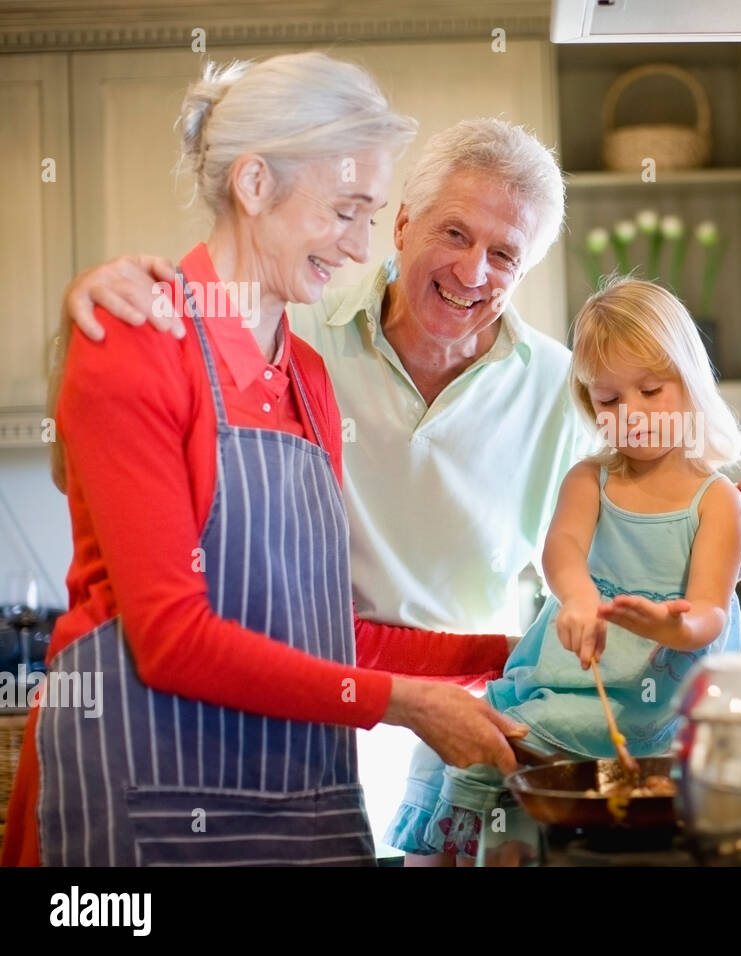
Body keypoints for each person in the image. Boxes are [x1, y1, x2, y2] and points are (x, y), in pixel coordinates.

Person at [57, 117, 741, 866]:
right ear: (401, 224)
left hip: (479, 729)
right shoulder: (296, 342)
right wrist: (102, 302)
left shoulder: (572, 392)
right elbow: (106, 473)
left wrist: (708, 559)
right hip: (280, 716)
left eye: (503, 255)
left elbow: (643, 517)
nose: (472, 272)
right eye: (454, 235)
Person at [2, 53, 528, 868]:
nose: (361, 250)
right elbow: (172, 639)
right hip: (139, 793)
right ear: (254, 185)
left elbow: (320, 634)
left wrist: (511, 655)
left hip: (289, 797)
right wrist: (404, 706)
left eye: (370, 216)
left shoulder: (307, 376)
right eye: (346, 212)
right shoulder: (137, 340)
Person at [394, 277, 741, 865]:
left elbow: (710, 611)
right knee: (458, 738)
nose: (630, 413)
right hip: (569, 674)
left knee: (508, 746)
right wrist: (579, 598)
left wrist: (668, 626)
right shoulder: (590, 479)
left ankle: (504, 849)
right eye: (608, 400)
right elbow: (561, 547)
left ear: (690, 384)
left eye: (650, 390)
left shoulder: (717, 500)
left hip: (653, 700)